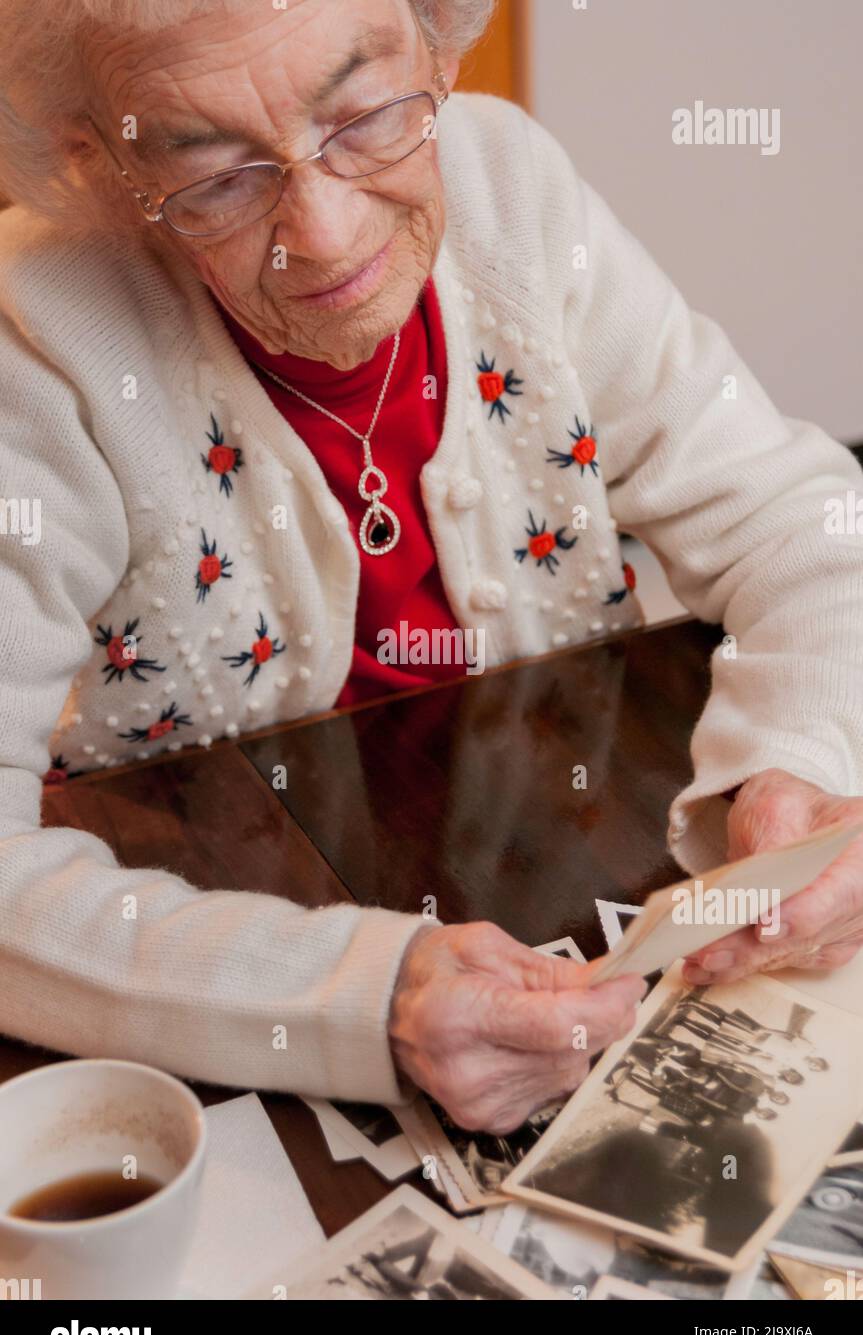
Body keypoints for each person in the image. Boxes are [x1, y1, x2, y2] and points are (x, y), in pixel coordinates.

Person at [1, 0, 862, 1132]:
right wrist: (358, 1002)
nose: (321, 231)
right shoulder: (43, 342)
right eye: (217, 176)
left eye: (364, 115)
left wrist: (796, 758)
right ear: (103, 163)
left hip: (561, 877)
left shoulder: (512, 194)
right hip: (206, 990)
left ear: (437, 49)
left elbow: (799, 517)